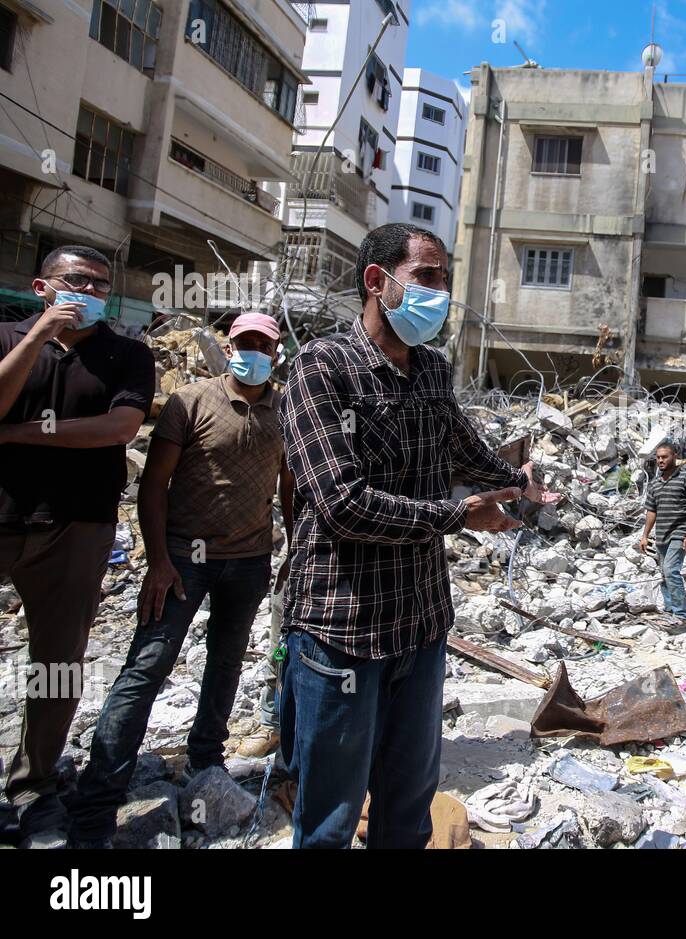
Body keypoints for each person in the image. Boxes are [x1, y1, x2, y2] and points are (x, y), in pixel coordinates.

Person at [278, 222, 559, 848]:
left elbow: (461, 447)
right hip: (343, 628)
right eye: (426, 278)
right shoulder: (321, 370)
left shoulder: (431, 370)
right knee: (329, 818)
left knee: (407, 811)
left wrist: (517, 481)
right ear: (378, 282)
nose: (440, 293)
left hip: (422, 623)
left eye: (445, 280)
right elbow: (340, 505)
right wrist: (460, 517)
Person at [68, 312, 292, 847]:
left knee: (226, 665)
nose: (253, 351)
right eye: (244, 342)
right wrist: (159, 562)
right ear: (230, 345)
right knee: (148, 665)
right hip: (184, 561)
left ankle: (205, 765)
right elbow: (155, 484)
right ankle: (98, 800)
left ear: (276, 351)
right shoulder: (191, 401)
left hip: (250, 560)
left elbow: (290, 486)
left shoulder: (286, 410)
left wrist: (294, 548)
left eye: (263, 344)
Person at [0, 245, 155, 847]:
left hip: (77, 526)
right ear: (43, 286)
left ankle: (33, 784)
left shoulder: (125, 353)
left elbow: (118, 429)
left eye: (98, 284)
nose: (88, 291)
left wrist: (18, 433)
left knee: (58, 663)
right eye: (75, 281)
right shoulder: (11, 337)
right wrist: (40, 333)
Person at [639, 440, 686, 622]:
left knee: (671, 570)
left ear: (675, 456)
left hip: (679, 533)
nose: (660, 460)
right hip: (661, 536)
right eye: (658, 457)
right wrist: (644, 535)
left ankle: (681, 615)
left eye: (664, 457)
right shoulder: (655, 484)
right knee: (664, 573)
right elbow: (652, 511)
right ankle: (669, 610)